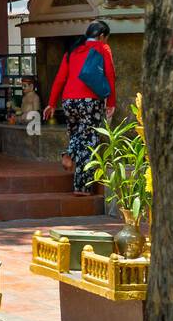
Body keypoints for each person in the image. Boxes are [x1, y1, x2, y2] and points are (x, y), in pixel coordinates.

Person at [43, 20, 117, 195]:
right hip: (90, 100)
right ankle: (82, 187)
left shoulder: (73, 50)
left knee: (78, 135)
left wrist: (52, 103)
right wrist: (111, 102)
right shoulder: (102, 48)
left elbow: (60, 78)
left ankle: (70, 155)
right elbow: (110, 76)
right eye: (106, 38)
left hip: (69, 101)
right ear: (101, 36)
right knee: (89, 141)